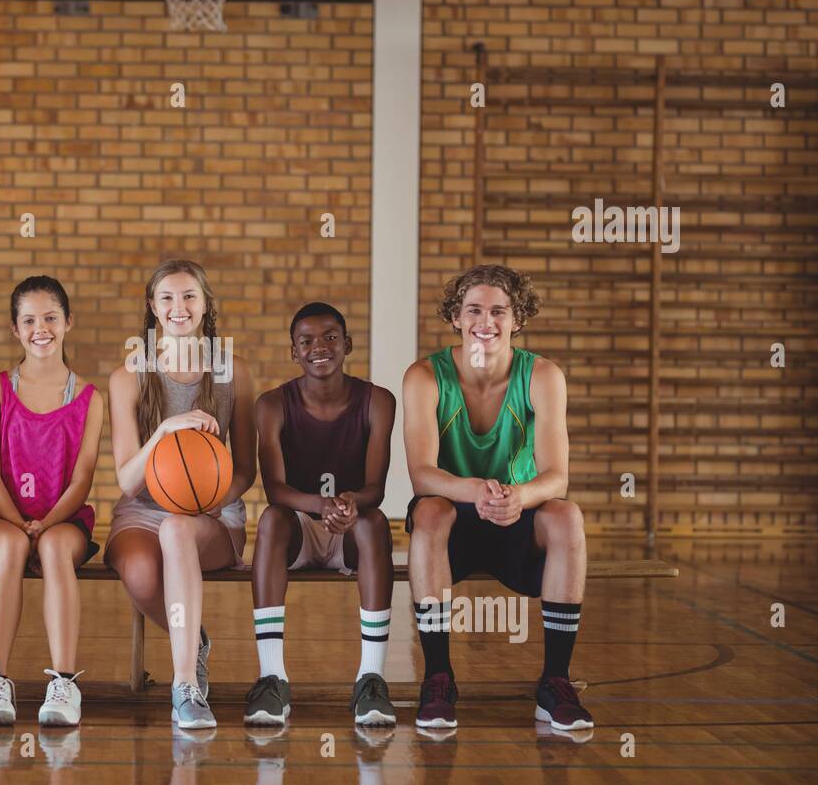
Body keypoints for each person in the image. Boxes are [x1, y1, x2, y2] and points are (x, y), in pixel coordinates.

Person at [402, 265, 592, 731]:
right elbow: (422, 474)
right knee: (427, 511)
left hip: (516, 518)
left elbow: (558, 476)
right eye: (474, 310)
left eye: (498, 311)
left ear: (517, 319)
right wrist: (476, 490)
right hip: (453, 521)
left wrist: (519, 495)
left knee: (567, 516)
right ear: (455, 317)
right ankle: (438, 677)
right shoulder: (425, 376)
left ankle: (554, 682)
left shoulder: (543, 376)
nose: (485, 321)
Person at [104, 259, 256, 729]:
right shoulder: (128, 376)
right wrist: (164, 431)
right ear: (152, 307)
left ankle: (185, 685)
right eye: (167, 298)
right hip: (141, 507)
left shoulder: (234, 373)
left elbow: (247, 470)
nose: (178, 307)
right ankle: (195, 639)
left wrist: (204, 502)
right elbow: (128, 481)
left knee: (175, 529)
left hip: (210, 514)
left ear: (206, 304)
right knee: (143, 575)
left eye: (189, 296)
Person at [244, 302, 398, 727]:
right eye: (306, 341)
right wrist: (320, 505)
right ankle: (272, 677)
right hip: (299, 526)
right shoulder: (272, 404)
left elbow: (377, 489)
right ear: (293, 352)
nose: (320, 347)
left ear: (347, 344)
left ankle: (371, 678)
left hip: (351, 528)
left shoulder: (378, 401)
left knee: (375, 522)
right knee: (271, 519)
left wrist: (349, 504)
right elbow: (274, 488)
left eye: (330, 337)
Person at [0, 276, 105, 727]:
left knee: (54, 548)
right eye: (29, 320)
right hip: (0, 516)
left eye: (50, 318)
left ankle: (65, 683)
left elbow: (81, 479)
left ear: (67, 323)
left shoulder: (89, 398)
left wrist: (44, 525)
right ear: (15, 328)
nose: (40, 328)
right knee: (11, 546)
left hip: (62, 518)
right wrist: (20, 524)